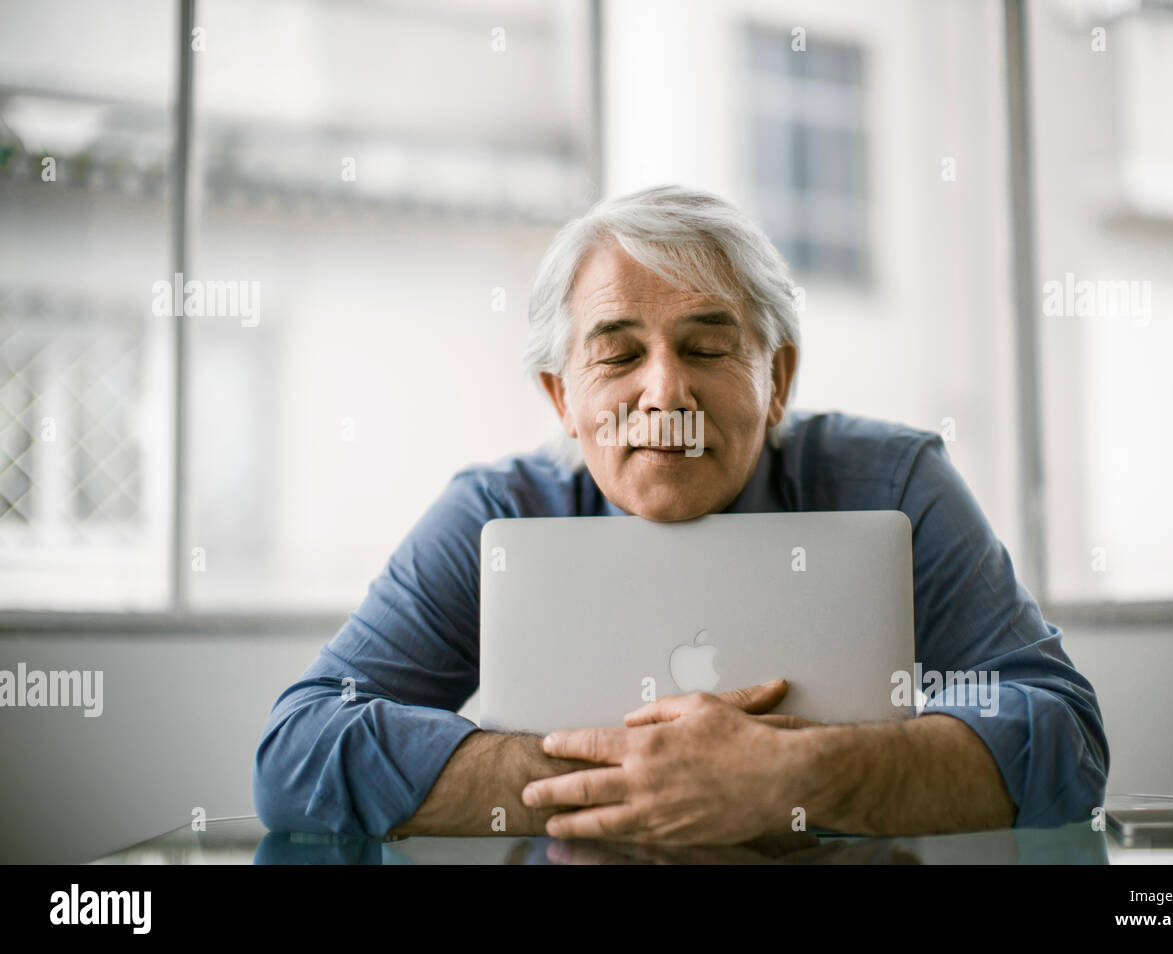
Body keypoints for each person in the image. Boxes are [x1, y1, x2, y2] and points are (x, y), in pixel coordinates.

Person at [252, 185, 1108, 845]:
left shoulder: (894, 482)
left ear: (776, 382)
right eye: (618, 352)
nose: (664, 390)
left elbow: (1062, 732)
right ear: (561, 397)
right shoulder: (496, 512)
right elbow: (299, 752)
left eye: (707, 347)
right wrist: (652, 783)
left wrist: (795, 776)